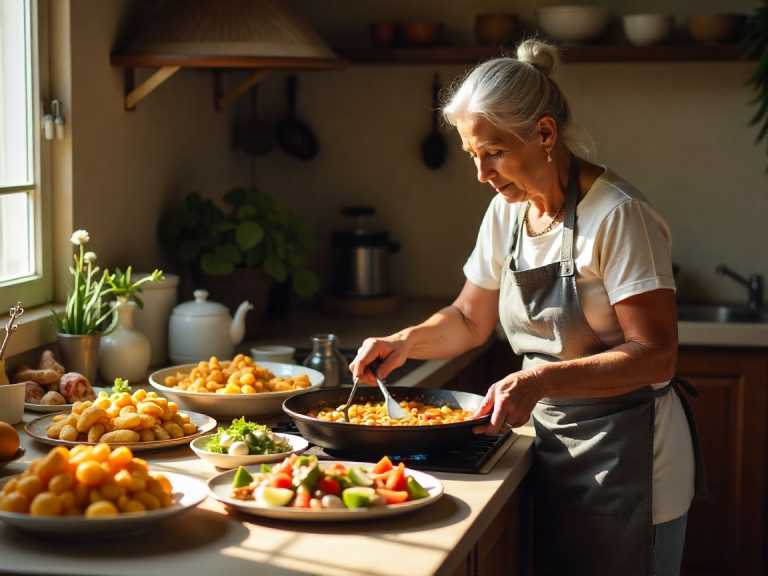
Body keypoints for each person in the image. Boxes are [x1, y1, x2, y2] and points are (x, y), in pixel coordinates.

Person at [349, 39, 707, 576]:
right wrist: (404, 342)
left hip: (631, 459)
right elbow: (470, 319)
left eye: (493, 152)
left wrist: (538, 382)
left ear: (544, 133)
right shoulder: (507, 212)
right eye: (474, 155)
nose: (482, 174)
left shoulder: (618, 215)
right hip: (545, 443)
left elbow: (656, 356)